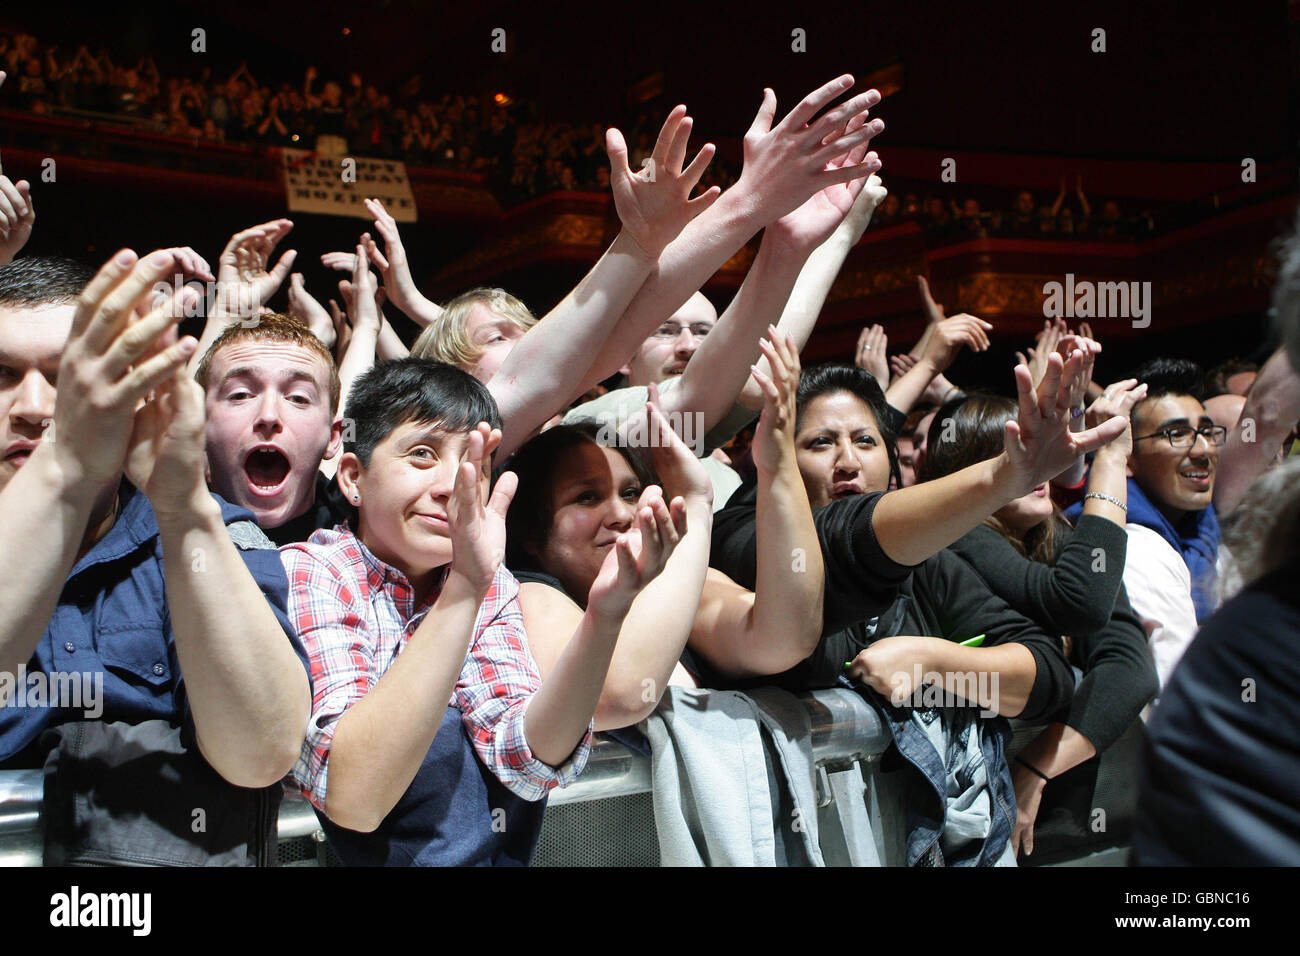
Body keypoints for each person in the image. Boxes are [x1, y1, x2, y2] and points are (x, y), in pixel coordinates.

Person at [708, 354, 1124, 864]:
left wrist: (935, 662)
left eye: (865, 441)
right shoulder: (737, 538)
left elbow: (1046, 677)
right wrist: (1002, 475)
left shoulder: (927, 562)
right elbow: (846, 540)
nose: (848, 461)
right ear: (774, 459)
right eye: (820, 442)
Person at [281, 358, 682, 865]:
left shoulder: (493, 585)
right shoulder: (314, 570)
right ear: (354, 477)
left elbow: (526, 761)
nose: (455, 485)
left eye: (477, 465)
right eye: (423, 454)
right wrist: (466, 586)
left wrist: (605, 615)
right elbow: (354, 797)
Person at [0, 253, 311, 865]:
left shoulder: (210, 528)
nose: (35, 406)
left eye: (67, 376)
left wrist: (183, 510)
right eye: (2, 373)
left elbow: (261, 752)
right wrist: (64, 468)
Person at [503, 330, 824, 727]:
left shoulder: (676, 580)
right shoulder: (523, 596)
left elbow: (784, 640)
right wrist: (694, 504)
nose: (621, 514)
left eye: (632, 492)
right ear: (532, 533)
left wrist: (777, 467)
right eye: (587, 497)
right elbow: (618, 698)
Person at [919, 387, 1159, 858]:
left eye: (1041, 447)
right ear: (970, 473)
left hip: (1088, 820)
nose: (1038, 466)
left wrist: (1037, 767)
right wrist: (1108, 460)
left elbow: (1131, 669)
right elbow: (1081, 603)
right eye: (1014, 452)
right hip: (1000, 832)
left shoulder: (1059, 537)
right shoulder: (957, 541)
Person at [1066, 357, 1221, 689]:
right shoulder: (1130, 548)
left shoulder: (1204, 529)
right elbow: (1179, 698)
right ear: (1128, 456)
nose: (1203, 449)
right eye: (1177, 434)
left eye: (1207, 432)